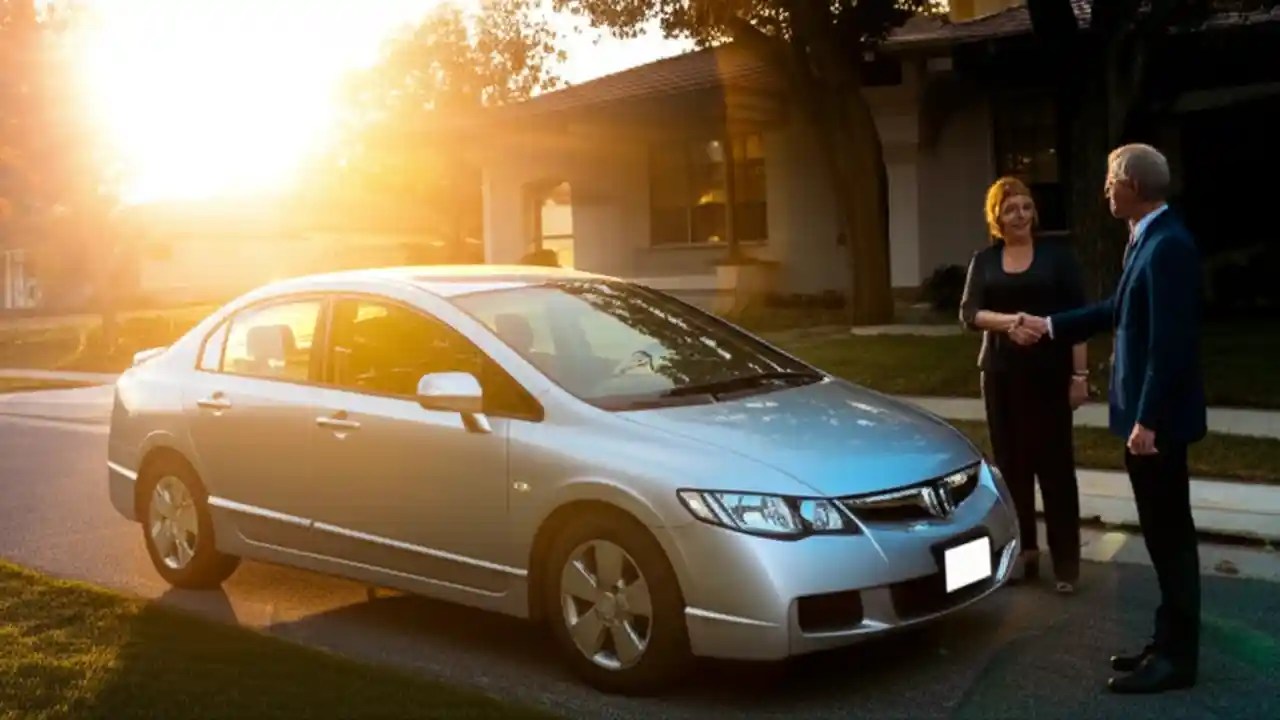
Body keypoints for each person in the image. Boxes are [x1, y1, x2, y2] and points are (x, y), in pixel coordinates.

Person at [1016, 143, 1206, 694]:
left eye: (1109, 180)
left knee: (1171, 541)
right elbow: (1115, 312)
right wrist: (1048, 325)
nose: (1104, 189)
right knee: (1163, 536)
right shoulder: (1145, 239)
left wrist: (1146, 421)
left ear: (1133, 187)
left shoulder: (1167, 247)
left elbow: (1169, 347)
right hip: (1149, 423)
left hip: (1158, 427)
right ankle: (1167, 644)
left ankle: (1178, 661)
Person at [959, 176, 1090, 595]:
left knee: (1055, 470)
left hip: (1050, 377)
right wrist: (1009, 322)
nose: (1020, 215)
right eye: (1011, 208)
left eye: (1026, 207)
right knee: (1012, 469)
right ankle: (1024, 553)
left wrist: (1080, 376)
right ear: (996, 216)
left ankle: (1066, 563)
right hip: (1000, 376)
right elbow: (969, 313)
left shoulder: (1058, 258)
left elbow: (1079, 321)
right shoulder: (985, 260)